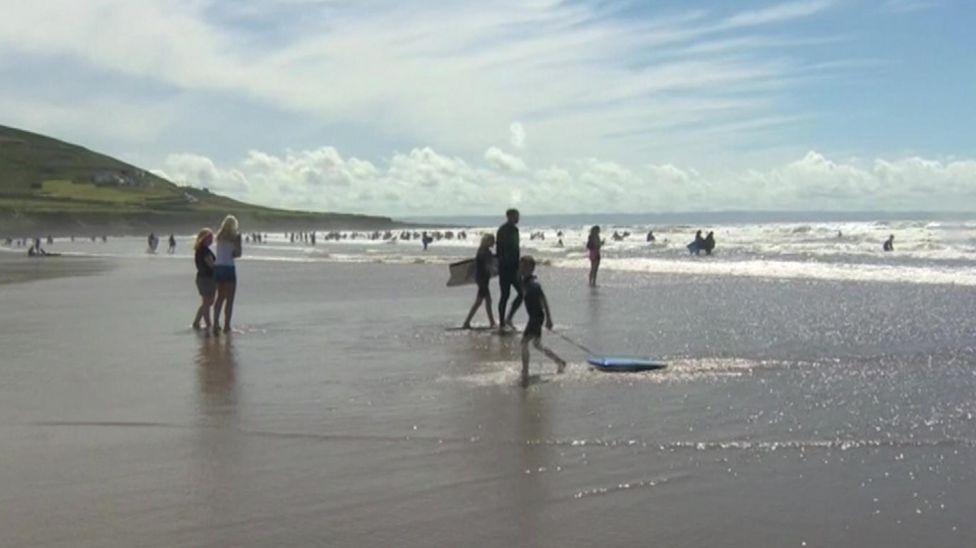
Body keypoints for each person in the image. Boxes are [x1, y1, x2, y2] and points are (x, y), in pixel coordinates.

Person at [518, 256, 566, 387]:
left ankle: (525, 371)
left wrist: (549, 319)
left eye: (522, 266)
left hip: (536, 317)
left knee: (523, 343)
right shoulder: (525, 282)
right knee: (536, 344)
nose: (519, 268)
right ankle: (559, 361)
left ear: (529, 268)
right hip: (535, 317)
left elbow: (543, 301)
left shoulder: (534, 285)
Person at [213, 215, 243, 334]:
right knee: (229, 299)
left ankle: (215, 323)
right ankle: (226, 325)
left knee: (219, 297)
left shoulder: (219, 236)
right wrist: (233, 252)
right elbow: (238, 253)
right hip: (229, 267)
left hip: (218, 266)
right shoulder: (236, 236)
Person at [462, 234, 497, 329]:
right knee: (487, 301)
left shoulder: (482, 250)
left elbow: (475, 264)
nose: (494, 242)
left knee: (479, 302)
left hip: (482, 278)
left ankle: (467, 322)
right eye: (492, 240)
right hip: (482, 278)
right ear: (487, 241)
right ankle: (492, 323)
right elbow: (485, 264)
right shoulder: (484, 252)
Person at [496, 209, 523, 332]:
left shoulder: (502, 229)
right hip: (510, 267)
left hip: (504, 266)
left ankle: (504, 321)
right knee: (520, 293)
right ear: (510, 216)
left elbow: (499, 250)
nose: (518, 218)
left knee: (505, 295)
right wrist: (518, 268)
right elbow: (514, 250)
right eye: (516, 216)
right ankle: (506, 319)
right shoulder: (511, 230)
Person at [191, 228, 216, 331]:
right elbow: (211, 265)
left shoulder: (200, 249)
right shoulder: (204, 250)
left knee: (207, 302)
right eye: (209, 238)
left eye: (212, 238)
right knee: (207, 302)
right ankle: (208, 324)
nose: (211, 240)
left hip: (203, 277)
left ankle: (197, 322)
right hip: (206, 278)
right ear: (203, 238)